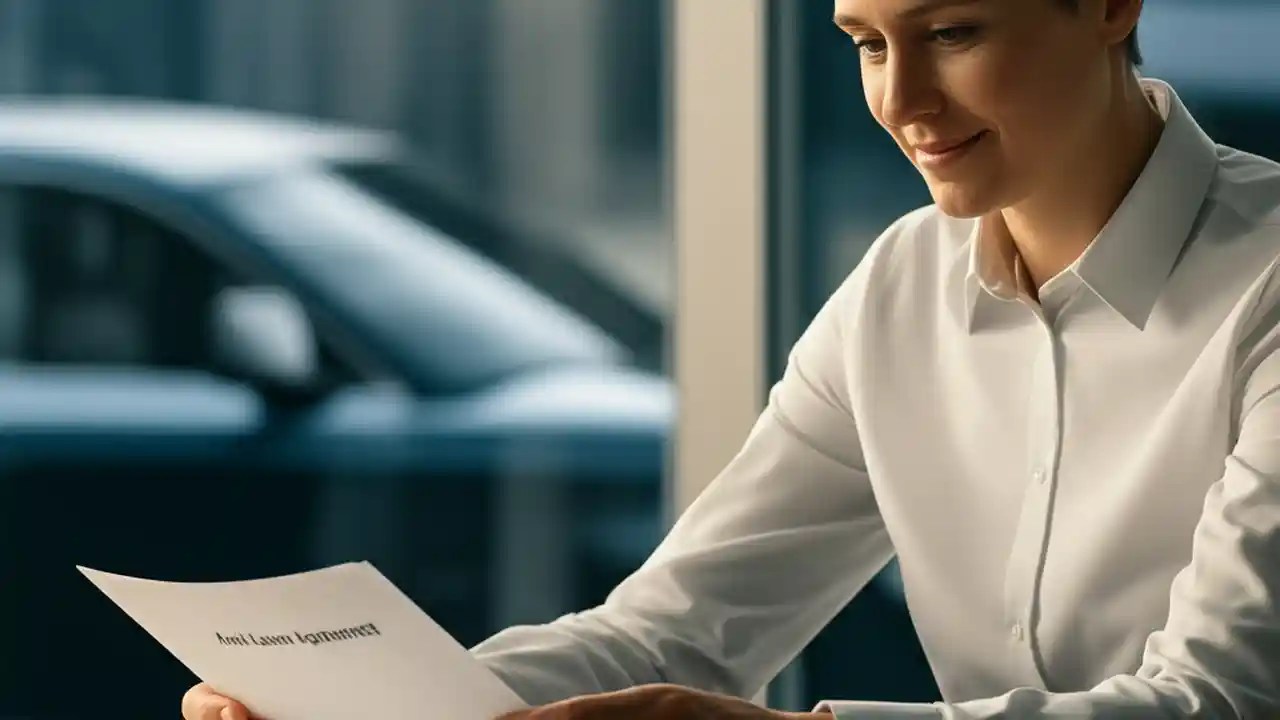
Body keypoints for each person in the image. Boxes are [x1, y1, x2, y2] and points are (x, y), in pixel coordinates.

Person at [183, 0, 1280, 717]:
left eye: (949, 31)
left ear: (1103, 6)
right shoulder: (900, 285)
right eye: (864, 43)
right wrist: (375, 704)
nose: (899, 102)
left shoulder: (1267, 284)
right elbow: (673, 633)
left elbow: (1220, 700)